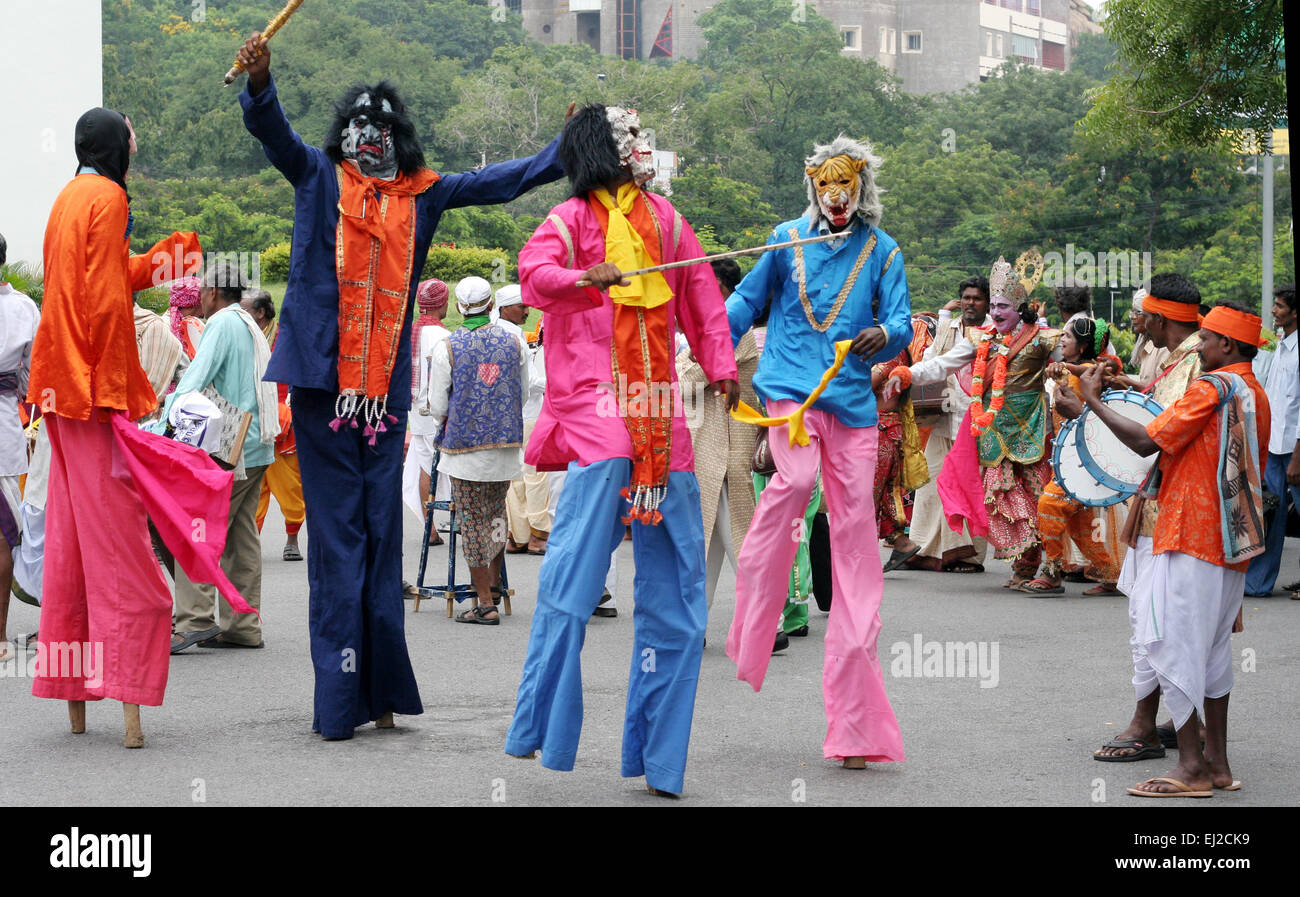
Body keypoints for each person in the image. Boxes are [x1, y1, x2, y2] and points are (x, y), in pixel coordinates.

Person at [234, 33, 569, 739]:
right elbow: (276, 135)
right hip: (324, 389)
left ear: (399, 141)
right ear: (343, 138)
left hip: (384, 397)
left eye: (380, 131)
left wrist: (562, 150)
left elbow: (499, 181)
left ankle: (382, 690)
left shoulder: (425, 194)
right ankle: (340, 703)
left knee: (383, 537)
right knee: (338, 540)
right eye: (356, 129)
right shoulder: (319, 178)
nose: (367, 140)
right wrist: (261, 84)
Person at [503, 104, 738, 797]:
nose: (640, 146)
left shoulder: (667, 220)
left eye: (642, 136)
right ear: (598, 149)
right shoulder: (570, 220)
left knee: (679, 602)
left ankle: (660, 761)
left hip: (661, 418)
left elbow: (700, 293)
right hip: (598, 410)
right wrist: (584, 276)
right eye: (626, 136)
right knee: (571, 585)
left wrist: (721, 364)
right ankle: (537, 727)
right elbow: (532, 272)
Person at [28, 108, 248, 748]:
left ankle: (73, 694)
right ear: (114, 148)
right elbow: (100, 302)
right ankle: (126, 696)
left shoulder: (69, 197)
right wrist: (114, 388)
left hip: (59, 390)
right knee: (123, 548)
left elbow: (99, 280)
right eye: (132, 138)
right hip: (91, 391)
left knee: (72, 540)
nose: (136, 146)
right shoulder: (110, 196)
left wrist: (164, 259)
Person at [726, 135, 912, 769]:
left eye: (847, 187)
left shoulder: (882, 250)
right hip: (789, 395)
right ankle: (756, 624)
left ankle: (856, 733)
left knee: (856, 540)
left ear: (861, 190)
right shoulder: (786, 238)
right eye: (826, 188)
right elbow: (747, 302)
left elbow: (904, 323)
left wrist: (883, 334)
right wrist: (710, 342)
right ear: (814, 189)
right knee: (793, 482)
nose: (836, 198)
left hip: (852, 405)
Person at [1078, 302, 1269, 796]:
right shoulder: (1254, 391)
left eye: (1206, 339)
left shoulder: (1211, 386)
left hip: (1191, 535)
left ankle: (1190, 769)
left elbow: (1146, 441)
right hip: (1233, 543)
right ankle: (1218, 765)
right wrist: (1131, 392)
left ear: (1226, 345)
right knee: (1213, 651)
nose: (1198, 345)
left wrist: (1092, 402)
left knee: (1172, 643)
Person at [889, 258, 1060, 589]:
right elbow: (941, 364)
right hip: (995, 435)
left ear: (1020, 307)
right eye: (993, 305)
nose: (996, 312)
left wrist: (1067, 372)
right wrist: (908, 373)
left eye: (1004, 306)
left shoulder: (1044, 338)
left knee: (1041, 500)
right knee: (1003, 499)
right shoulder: (982, 339)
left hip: (1034, 431)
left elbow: (1070, 362)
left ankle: (1051, 568)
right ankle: (1025, 567)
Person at [166, 262, 278, 653]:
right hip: (258, 445)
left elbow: (194, 379)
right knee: (240, 537)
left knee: (193, 528)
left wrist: (163, 422)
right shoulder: (247, 322)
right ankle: (243, 626)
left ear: (213, 291)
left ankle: (194, 620)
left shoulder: (221, 324)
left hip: (231, 449)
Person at [426, 277, 529, 624]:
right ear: (490, 307)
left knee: (471, 521)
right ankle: (495, 585)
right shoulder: (515, 341)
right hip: (504, 446)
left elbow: (438, 403)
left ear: (459, 307)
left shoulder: (448, 345)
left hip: (464, 449)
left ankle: (484, 602)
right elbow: (524, 394)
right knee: (497, 516)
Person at [1019, 317, 1124, 595]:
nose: (1062, 340)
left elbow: (1089, 369)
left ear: (1084, 345)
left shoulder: (1090, 370)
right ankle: (1112, 576)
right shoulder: (1070, 370)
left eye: (1067, 336)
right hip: (1066, 456)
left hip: (1083, 459)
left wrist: (1064, 366)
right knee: (1081, 524)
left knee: (1049, 504)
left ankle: (1052, 572)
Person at [907, 277, 992, 572]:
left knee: (968, 485)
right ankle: (922, 550)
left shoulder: (993, 332)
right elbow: (931, 361)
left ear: (988, 303)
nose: (970, 303)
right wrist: (907, 376)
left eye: (977, 298)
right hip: (942, 416)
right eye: (966, 297)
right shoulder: (948, 328)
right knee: (931, 485)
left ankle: (966, 555)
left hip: (977, 422)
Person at [0, 233, 40, 663]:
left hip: (6, 427)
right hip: (6, 426)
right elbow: (35, 375)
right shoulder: (25, 307)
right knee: (2, 535)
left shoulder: (25, 306)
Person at [1245, 285, 1300, 598]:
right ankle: (1258, 584)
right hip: (1275, 446)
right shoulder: (1282, 344)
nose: (1274, 311)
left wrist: (1297, 456)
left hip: (1295, 448)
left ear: (1294, 312)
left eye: (1279, 306)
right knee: (1271, 514)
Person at [242, 289, 305, 561]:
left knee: (290, 487)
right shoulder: (240, 335)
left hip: (281, 423)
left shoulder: (282, 336)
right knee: (254, 490)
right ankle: (250, 545)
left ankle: (292, 540)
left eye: (246, 310)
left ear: (261, 313)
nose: (240, 315)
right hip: (251, 423)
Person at [497, 283, 551, 556]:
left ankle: (517, 536)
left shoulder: (493, 331)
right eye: (521, 306)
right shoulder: (516, 336)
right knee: (535, 474)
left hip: (504, 417)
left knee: (514, 476)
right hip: (528, 413)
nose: (526, 311)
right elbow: (529, 382)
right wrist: (557, 382)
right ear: (504, 308)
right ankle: (538, 536)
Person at [401, 277, 451, 557]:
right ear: (442, 303)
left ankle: (430, 528)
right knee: (448, 464)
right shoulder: (442, 336)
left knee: (424, 464)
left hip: (415, 411)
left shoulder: (410, 331)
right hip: (437, 412)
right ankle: (457, 520)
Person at [168, 275, 206, 362]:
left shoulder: (167, 323)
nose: (203, 313)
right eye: (202, 305)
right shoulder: (164, 328)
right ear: (190, 306)